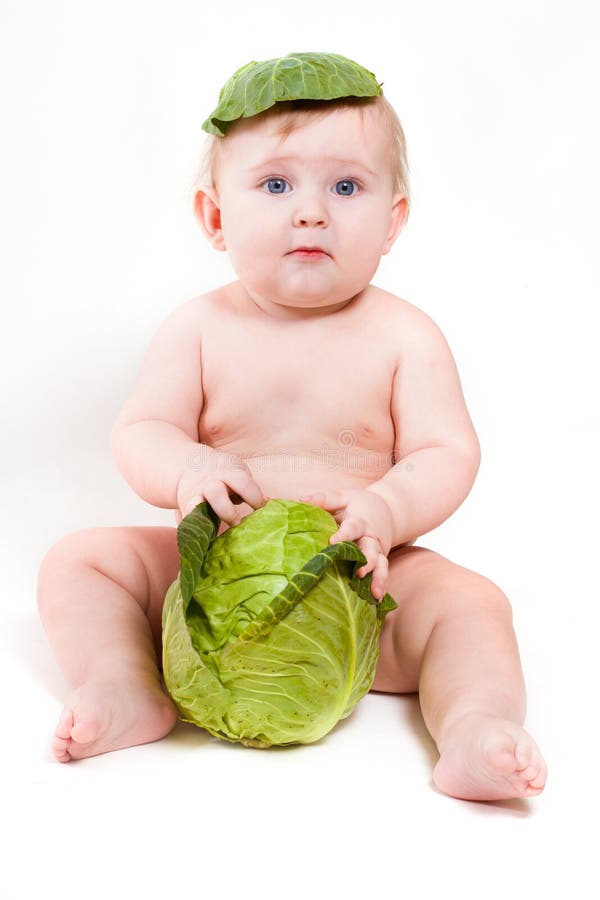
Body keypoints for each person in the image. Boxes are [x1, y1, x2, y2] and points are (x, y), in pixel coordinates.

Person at [37, 51, 547, 800]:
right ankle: (123, 682)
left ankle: (473, 724)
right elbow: (141, 430)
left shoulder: (405, 336)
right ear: (215, 216)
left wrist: (387, 508)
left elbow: (447, 452)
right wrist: (188, 470)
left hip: (367, 584)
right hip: (212, 581)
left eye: (346, 186)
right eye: (275, 184)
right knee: (79, 562)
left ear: (392, 220)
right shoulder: (198, 329)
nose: (311, 210)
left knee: (474, 605)